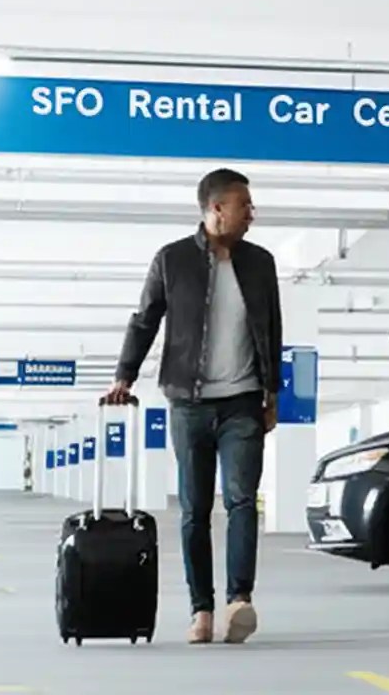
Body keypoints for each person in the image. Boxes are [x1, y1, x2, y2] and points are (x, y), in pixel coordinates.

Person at [105, 167, 281, 645]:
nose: (252, 213)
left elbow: (273, 329)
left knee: (243, 501)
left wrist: (272, 393)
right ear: (216, 209)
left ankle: (238, 602)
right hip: (189, 403)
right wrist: (124, 375)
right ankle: (200, 609)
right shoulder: (173, 260)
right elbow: (145, 320)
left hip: (243, 402)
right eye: (245, 204)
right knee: (194, 509)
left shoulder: (261, 263)